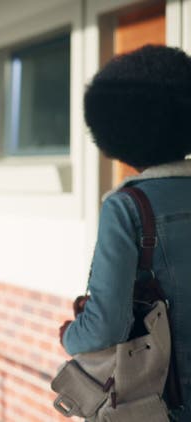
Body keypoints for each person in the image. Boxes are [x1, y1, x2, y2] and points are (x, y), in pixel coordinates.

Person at [59, 45, 191, 417]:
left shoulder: (127, 207)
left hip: (167, 406)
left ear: (114, 133)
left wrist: (69, 334)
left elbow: (104, 327)